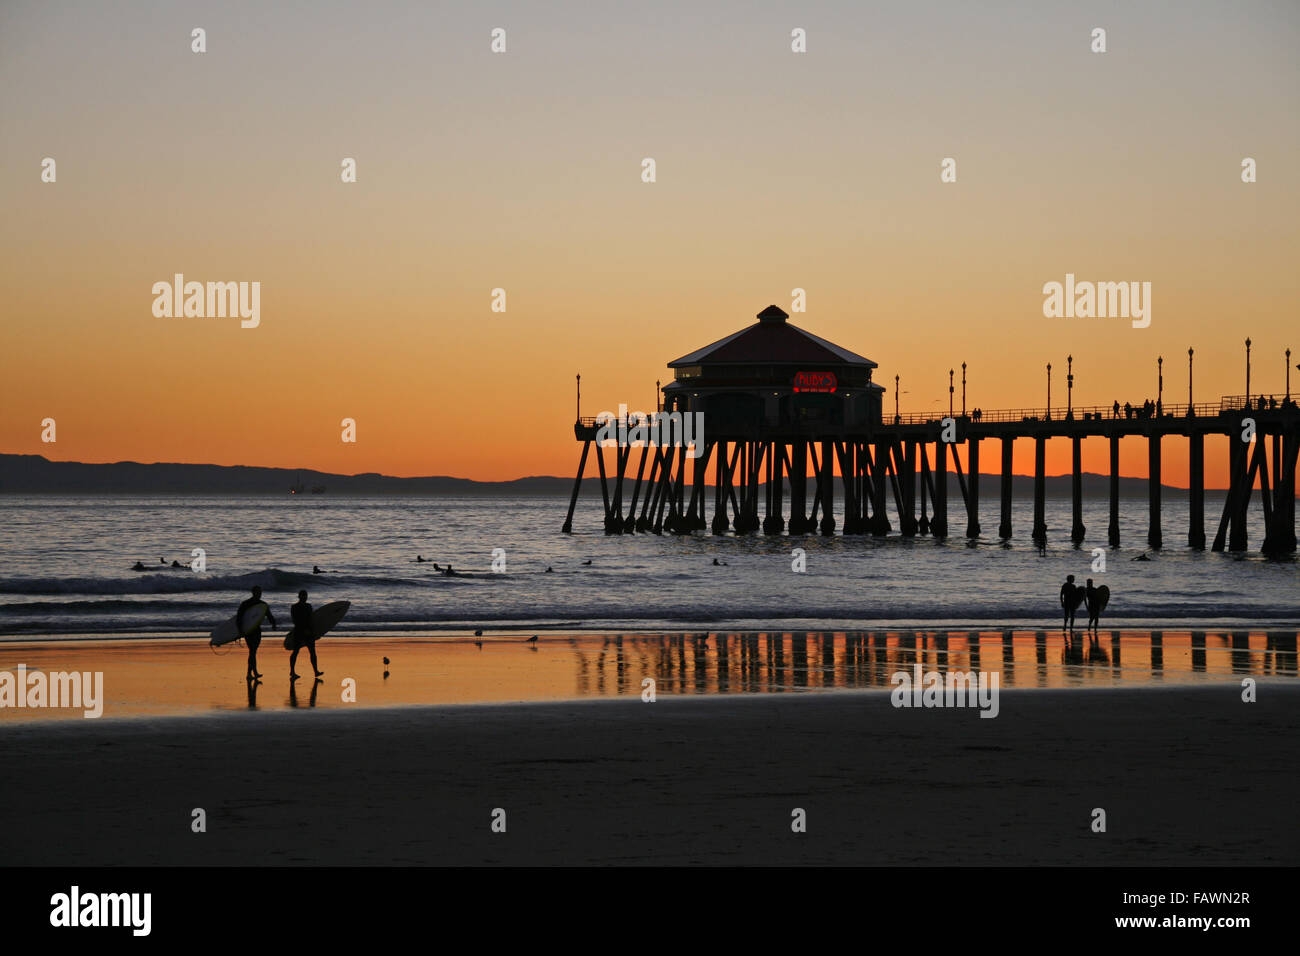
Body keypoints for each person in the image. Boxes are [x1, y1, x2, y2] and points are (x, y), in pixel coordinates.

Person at [237, 585, 276, 681]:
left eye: (260, 592)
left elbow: (269, 615)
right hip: (248, 630)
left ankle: (251, 673)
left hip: (257, 630)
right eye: (257, 592)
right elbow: (239, 618)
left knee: (253, 651)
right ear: (253, 592)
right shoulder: (245, 604)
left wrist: (273, 624)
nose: (259, 594)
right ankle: (252, 672)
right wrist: (240, 630)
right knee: (252, 651)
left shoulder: (262, 604)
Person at [288, 589, 323, 681]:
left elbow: (311, 619)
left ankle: (316, 671)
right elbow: (295, 620)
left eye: (305, 596)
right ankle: (292, 671)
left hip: (309, 632)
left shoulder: (308, 606)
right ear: (299, 596)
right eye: (303, 595)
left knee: (312, 652)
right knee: (295, 652)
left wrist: (315, 632)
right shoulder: (294, 607)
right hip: (299, 632)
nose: (304, 597)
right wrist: (304, 630)